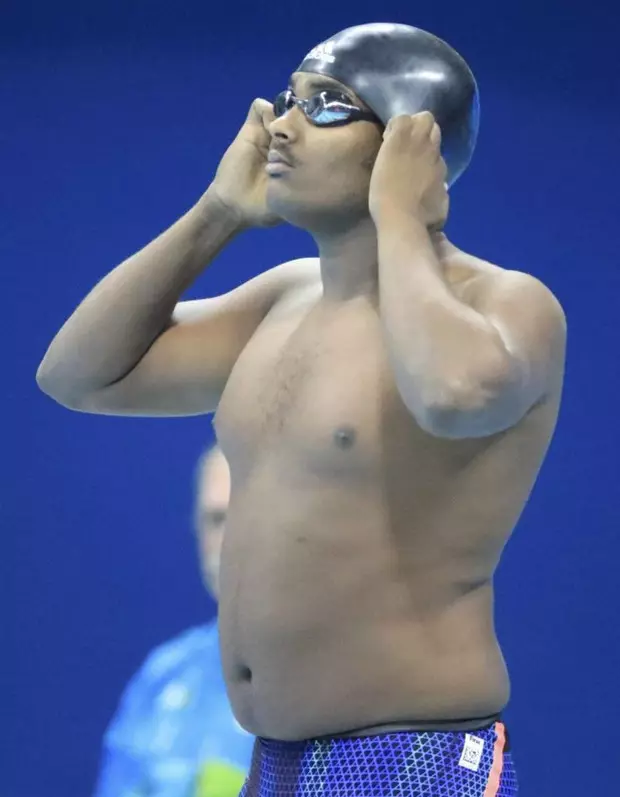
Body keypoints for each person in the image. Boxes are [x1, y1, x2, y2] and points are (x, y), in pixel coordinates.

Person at [37, 21, 567, 797]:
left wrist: (403, 220)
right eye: (289, 98)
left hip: (411, 760)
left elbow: (451, 396)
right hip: (276, 764)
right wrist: (217, 211)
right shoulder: (281, 301)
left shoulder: (506, 303)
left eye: (326, 105)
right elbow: (76, 377)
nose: (278, 124)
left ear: (404, 144)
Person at [94, 445, 254, 797]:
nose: (229, 543)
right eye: (216, 520)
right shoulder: (164, 677)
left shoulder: (351, 683)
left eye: (246, 517)